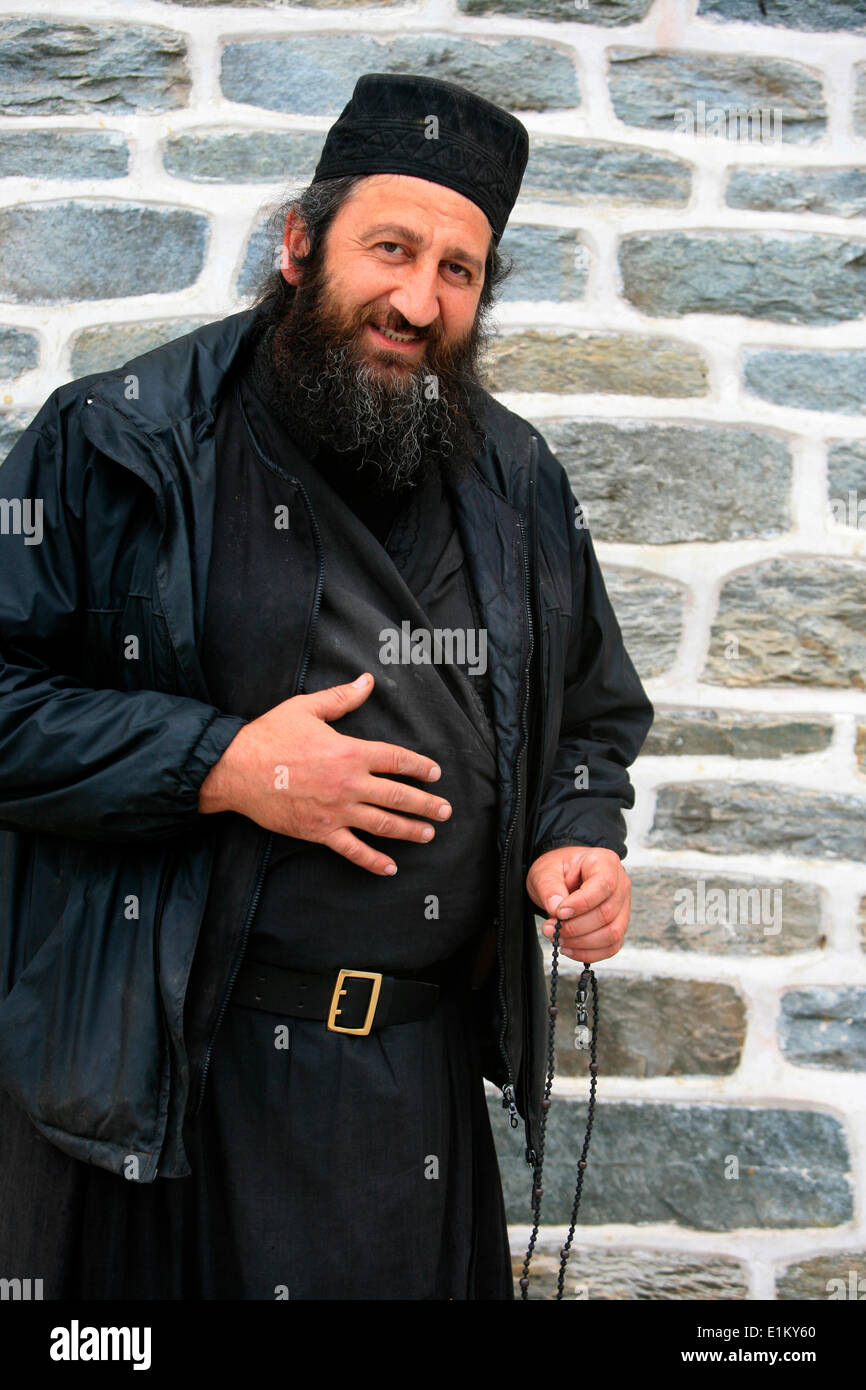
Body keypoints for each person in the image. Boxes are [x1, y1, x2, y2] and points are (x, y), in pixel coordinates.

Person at [0, 73, 653, 1300]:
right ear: (299, 244)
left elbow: (592, 718)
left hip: (412, 1090)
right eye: (390, 250)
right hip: (186, 1082)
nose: (416, 300)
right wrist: (224, 764)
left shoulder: (515, 479)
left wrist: (582, 840)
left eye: (456, 271)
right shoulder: (118, 443)